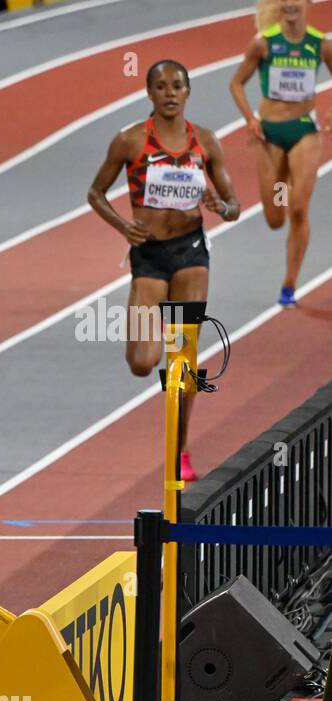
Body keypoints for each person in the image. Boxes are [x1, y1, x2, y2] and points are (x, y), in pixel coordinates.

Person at [87, 60, 239, 483]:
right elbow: (95, 192)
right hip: (149, 259)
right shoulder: (130, 141)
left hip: (191, 254)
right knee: (142, 360)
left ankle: (181, 448)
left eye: (177, 85)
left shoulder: (205, 142)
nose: (169, 92)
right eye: (160, 86)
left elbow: (234, 206)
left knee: (182, 357)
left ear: (188, 91)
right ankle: (169, 387)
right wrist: (122, 225)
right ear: (149, 93)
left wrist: (219, 207)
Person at [229, 0, 332, 308]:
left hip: (304, 132)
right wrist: (250, 118)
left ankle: (289, 284)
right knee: (275, 217)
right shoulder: (263, 44)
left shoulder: (320, 44)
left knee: (298, 210)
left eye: (296, 0)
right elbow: (236, 83)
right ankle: (284, 180)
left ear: (306, 4)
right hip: (271, 136)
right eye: (284, 0)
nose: (290, 4)